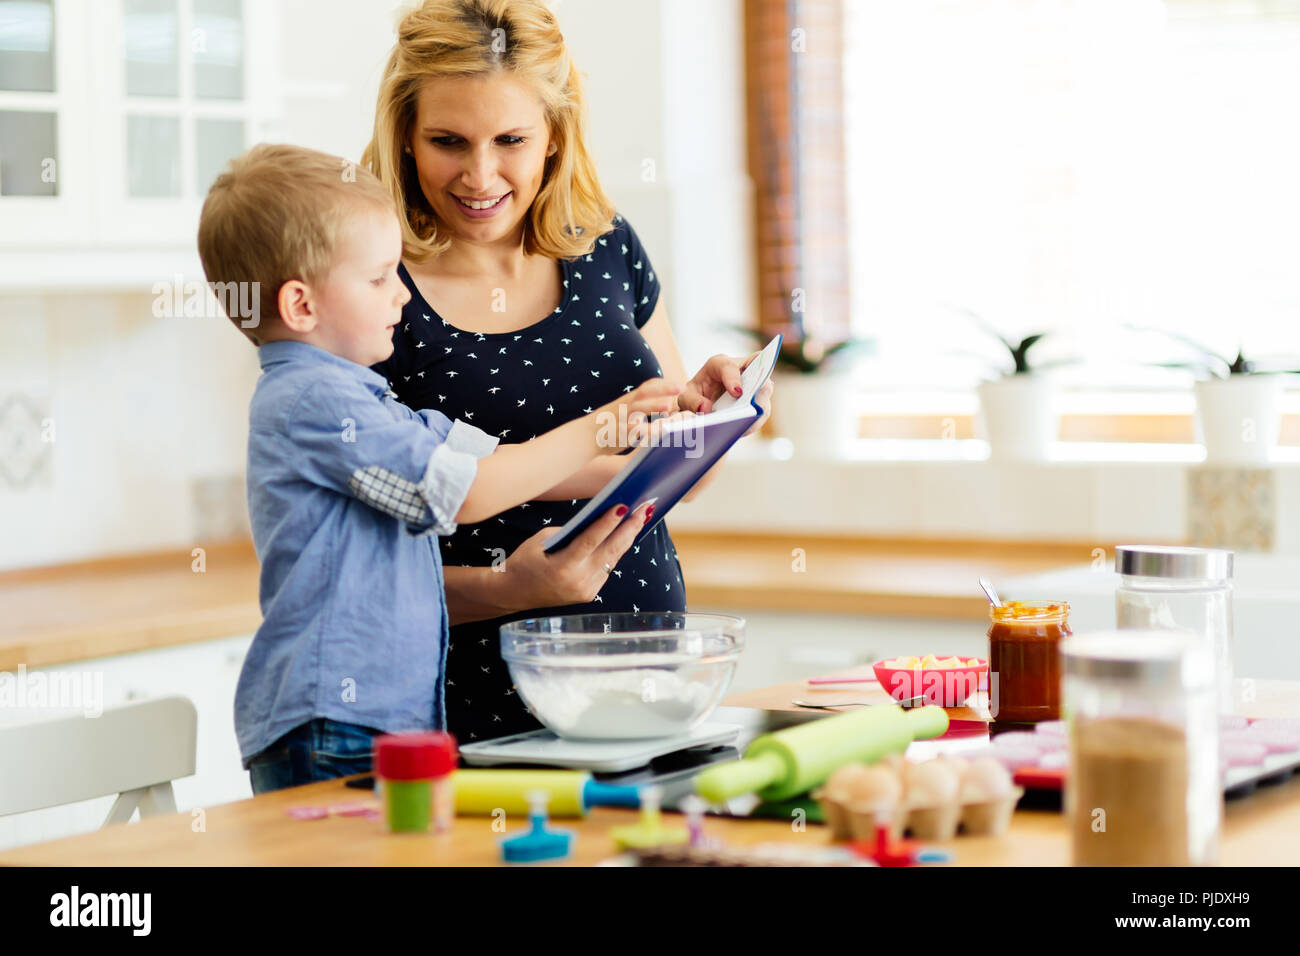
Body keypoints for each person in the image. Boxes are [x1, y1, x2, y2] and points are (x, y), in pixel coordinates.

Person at [197, 143, 681, 791]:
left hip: (375, 718)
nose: (402, 295)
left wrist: (688, 436)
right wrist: (600, 425)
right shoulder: (317, 403)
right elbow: (471, 491)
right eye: (378, 279)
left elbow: (499, 463)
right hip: (332, 725)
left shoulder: (362, 398)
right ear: (301, 306)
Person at [363, 0, 774, 742]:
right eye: (447, 141)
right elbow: (351, 580)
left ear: (555, 136)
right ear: (404, 138)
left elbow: (679, 472)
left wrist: (710, 416)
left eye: (511, 140)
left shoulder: (605, 245)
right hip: (459, 711)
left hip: (645, 683)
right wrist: (506, 592)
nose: (479, 175)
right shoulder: (370, 285)